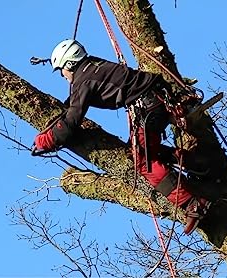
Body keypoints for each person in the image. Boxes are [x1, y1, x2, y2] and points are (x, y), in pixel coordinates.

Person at [34, 39, 210, 235]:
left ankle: (192, 204)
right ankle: (196, 162)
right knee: (139, 151)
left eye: (61, 70)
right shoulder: (92, 67)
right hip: (156, 97)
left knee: (142, 161)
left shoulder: (83, 81)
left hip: (147, 106)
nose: (62, 75)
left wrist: (47, 140)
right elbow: (73, 106)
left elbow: (72, 121)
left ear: (69, 64)